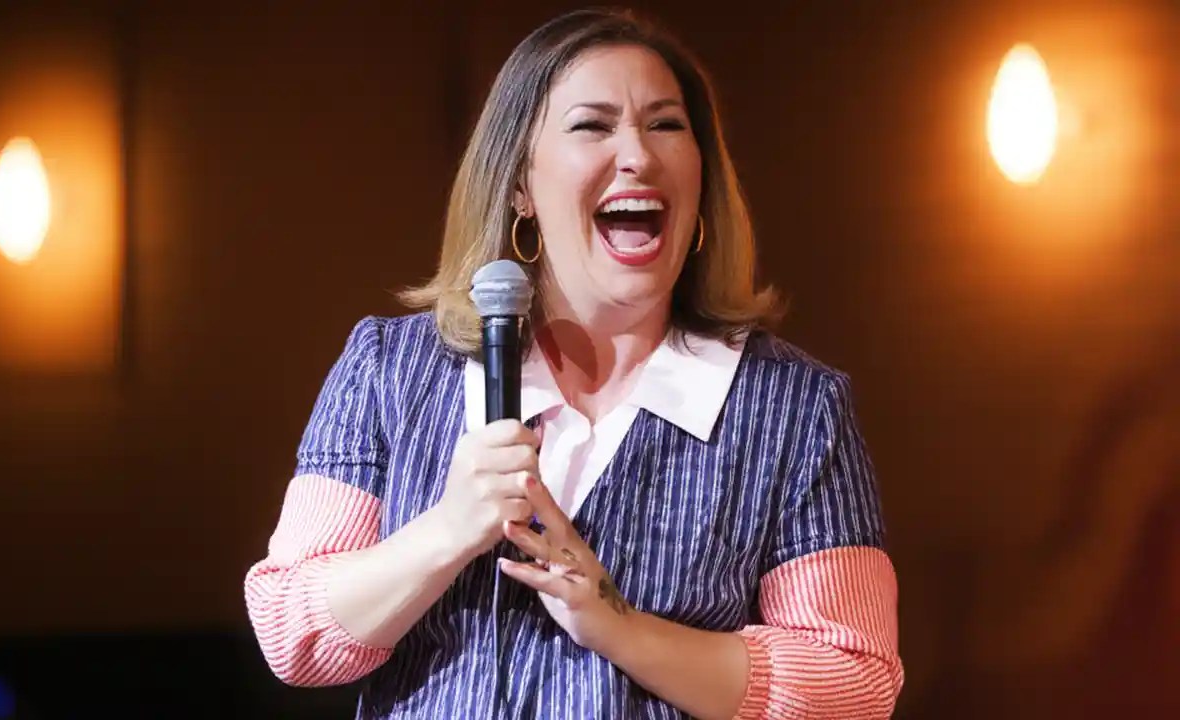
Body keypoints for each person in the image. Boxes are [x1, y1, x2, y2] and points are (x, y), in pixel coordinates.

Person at [243, 7, 903, 719]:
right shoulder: (392, 372)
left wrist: (619, 628)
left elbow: (853, 682)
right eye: (593, 125)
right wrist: (448, 529)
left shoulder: (793, 409)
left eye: (665, 125)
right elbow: (293, 633)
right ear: (520, 184)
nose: (639, 156)